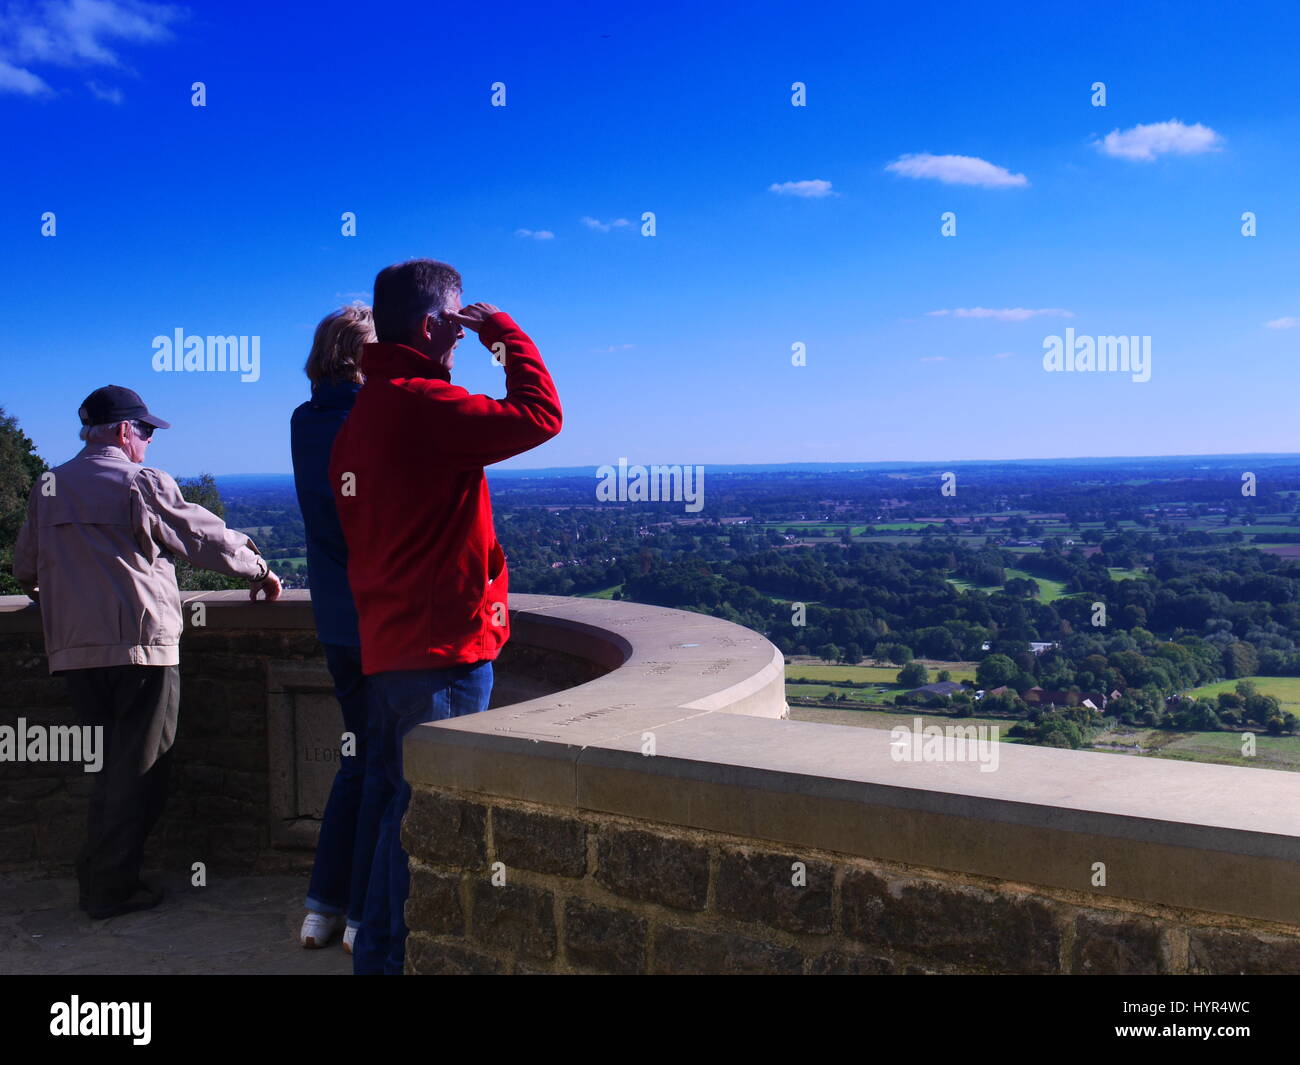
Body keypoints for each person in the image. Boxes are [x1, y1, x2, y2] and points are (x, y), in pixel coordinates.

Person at [331, 259, 562, 974]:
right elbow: (541, 414)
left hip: (392, 649)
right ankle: (389, 963)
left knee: (399, 818)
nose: (463, 342)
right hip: (444, 653)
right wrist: (504, 333)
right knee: (422, 828)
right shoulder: (423, 405)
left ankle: (374, 957)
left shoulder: (365, 413)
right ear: (432, 326)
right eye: (457, 328)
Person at [12, 385, 281, 919]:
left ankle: (98, 874)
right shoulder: (140, 481)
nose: (149, 441)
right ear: (121, 430)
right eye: (146, 430)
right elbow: (203, 538)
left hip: (73, 652)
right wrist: (261, 569)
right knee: (142, 769)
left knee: (108, 766)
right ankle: (110, 889)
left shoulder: (48, 485)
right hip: (140, 649)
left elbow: (26, 567)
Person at [290, 304, 384, 953]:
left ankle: (322, 907)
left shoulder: (305, 418)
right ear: (358, 355)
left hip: (334, 619)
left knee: (359, 758)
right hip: (381, 619)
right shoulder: (372, 417)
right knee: (384, 765)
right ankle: (360, 915)